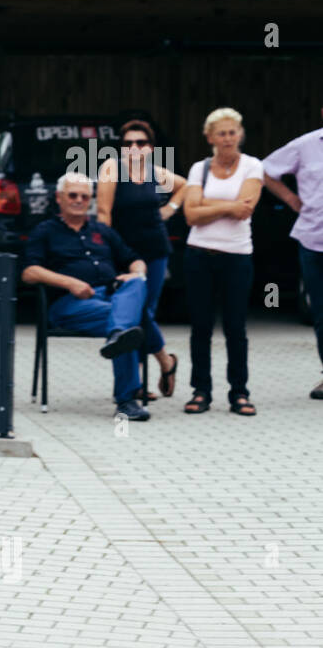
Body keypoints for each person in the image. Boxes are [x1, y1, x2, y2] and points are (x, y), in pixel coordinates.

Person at [21, 172, 151, 420]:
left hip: (111, 297)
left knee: (137, 285)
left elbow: (134, 259)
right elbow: (29, 272)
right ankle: (127, 400)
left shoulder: (102, 230)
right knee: (130, 323)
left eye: (84, 196)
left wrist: (137, 272)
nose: (79, 200)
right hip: (70, 305)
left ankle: (117, 334)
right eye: (73, 195)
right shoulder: (45, 231)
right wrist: (69, 282)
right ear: (59, 198)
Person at [95, 119, 186, 400]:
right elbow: (103, 214)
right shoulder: (111, 169)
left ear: (151, 147)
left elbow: (186, 187)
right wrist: (108, 253)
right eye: (128, 143)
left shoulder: (155, 173)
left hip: (155, 251)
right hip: (125, 254)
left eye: (141, 143)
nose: (134, 148)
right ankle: (164, 363)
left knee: (146, 312)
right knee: (132, 315)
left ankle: (136, 384)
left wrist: (169, 209)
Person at [181, 107, 263, 416]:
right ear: (210, 137)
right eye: (221, 133)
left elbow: (246, 208)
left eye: (232, 132)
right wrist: (228, 206)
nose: (227, 139)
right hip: (199, 254)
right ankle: (200, 390)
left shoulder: (252, 166)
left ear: (240, 134)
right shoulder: (198, 168)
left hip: (237, 256)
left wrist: (206, 203)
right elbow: (190, 215)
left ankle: (239, 392)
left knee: (235, 327)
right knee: (200, 326)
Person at [261, 107, 323, 400]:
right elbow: (264, 171)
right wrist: (289, 198)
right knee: (321, 313)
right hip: (314, 240)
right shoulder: (305, 145)